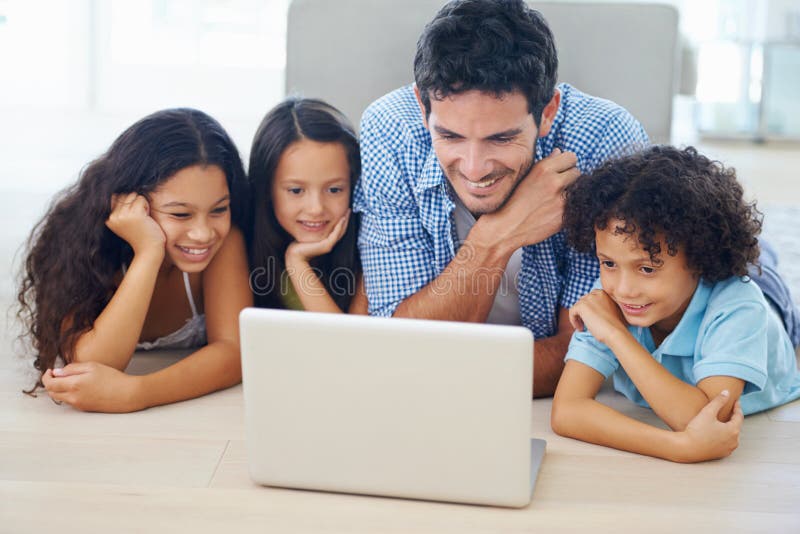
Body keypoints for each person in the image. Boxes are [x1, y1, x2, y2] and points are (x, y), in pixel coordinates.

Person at [354, 0, 648, 395]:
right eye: (451, 136)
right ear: (423, 109)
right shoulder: (390, 130)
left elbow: (588, 352)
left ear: (547, 112)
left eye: (502, 138)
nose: (475, 169)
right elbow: (400, 335)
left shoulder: (601, 139)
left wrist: (433, 371)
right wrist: (499, 235)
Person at [551, 145, 800, 463]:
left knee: (762, 268)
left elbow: (703, 419)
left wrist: (616, 335)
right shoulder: (610, 295)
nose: (624, 289)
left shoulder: (740, 306)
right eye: (608, 263)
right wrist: (679, 447)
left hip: (764, 303)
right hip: (694, 287)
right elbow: (568, 411)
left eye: (647, 268)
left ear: (698, 258)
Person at [17, 108, 253, 413]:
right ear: (131, 203)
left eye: (219, 209)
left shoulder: (225, 243)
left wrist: (137, 392)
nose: (203, 232)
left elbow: (233, 352)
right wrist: (148, 252)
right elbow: (91, 365)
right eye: (180, 214)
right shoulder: (86, 248)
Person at [248, 98, 367, 313]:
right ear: (266, 189)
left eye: (334, 190)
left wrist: (297, 261)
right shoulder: (243, 245)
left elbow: (344, 343)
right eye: (296, 191)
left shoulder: (369, 249)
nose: (316, 208)